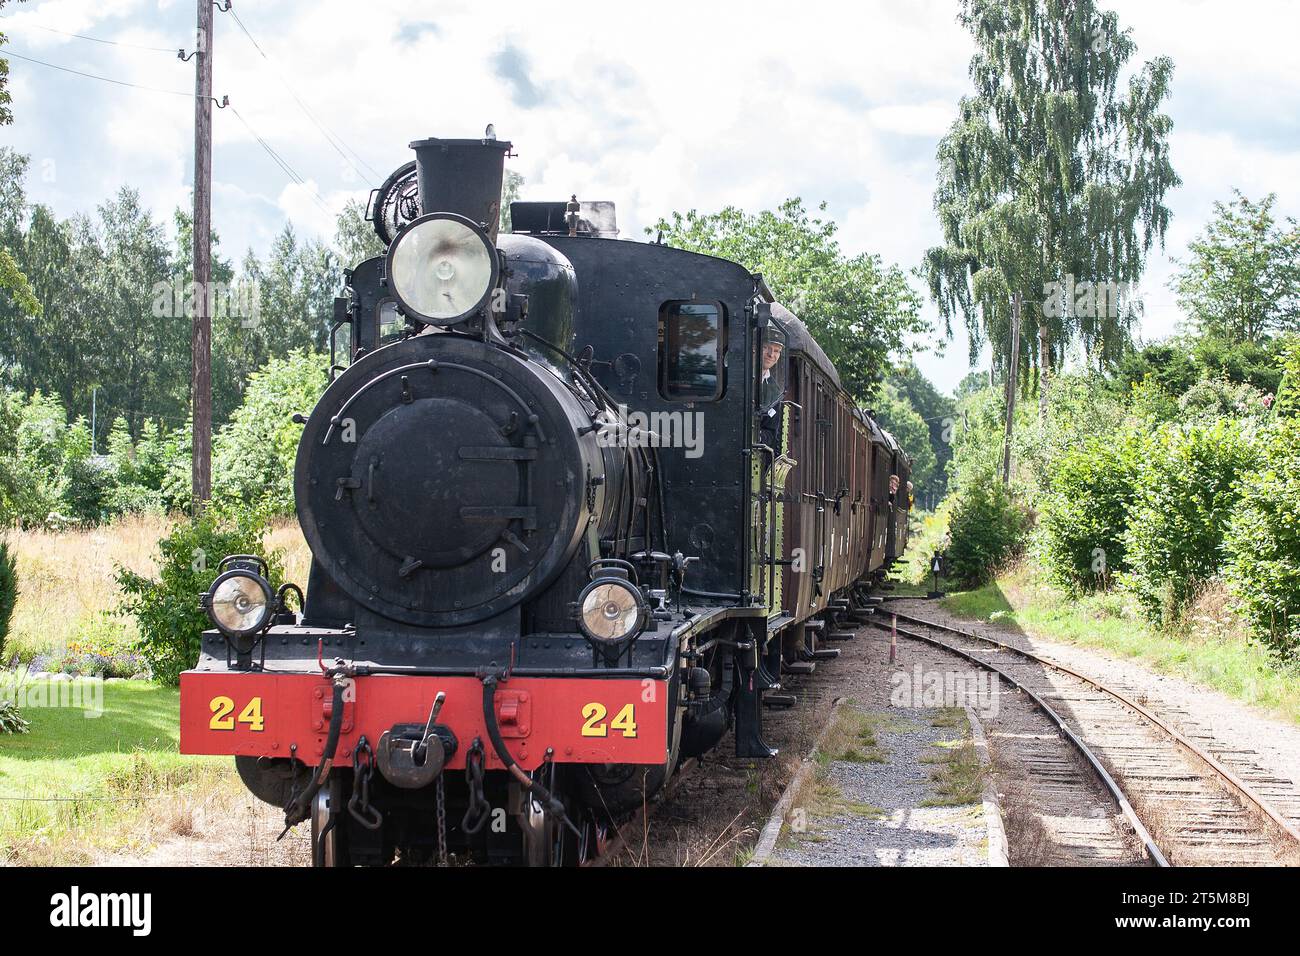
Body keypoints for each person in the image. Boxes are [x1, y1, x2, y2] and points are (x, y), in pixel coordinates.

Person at [759, 337, 784, 409]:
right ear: (754, 347)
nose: (771, 354)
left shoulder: (775, 389)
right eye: (766, 347)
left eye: (776, 351)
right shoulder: (737, 376)